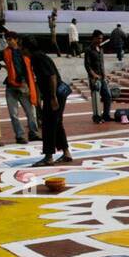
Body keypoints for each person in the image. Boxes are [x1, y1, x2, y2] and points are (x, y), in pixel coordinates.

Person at [28, 38, 73, 166]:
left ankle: (48, 156)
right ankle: (66, 152)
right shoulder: (41, 56)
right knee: (57, 122)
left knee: (48, 124)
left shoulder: (37, 58)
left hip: (53, 95)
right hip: (57, 93)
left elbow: (51, 76)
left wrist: (52, 97)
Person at [0, 30, 42, 145]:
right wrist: (1, 66)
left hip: (25, 85)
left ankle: (33, 133)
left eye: (10, 39)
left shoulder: (25, 52)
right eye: (7, 40)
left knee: (31, 112)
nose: (8, 42)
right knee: (13, 114)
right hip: (11, 87)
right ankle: (19, 135)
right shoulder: (4, 53)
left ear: (16, 40)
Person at [84, 30, 115, 123]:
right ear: (94, 38)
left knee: (108, 96)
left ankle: (106, 115)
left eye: (101, 38)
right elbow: (87, 65)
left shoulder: (101, 49)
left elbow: (102, 64)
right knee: (96, 98)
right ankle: (96, 117)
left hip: (102, 77)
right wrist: (94, 75)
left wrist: (105, 76)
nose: (100, 40)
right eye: (99, 38)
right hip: (94, 78)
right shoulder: (89, 50)